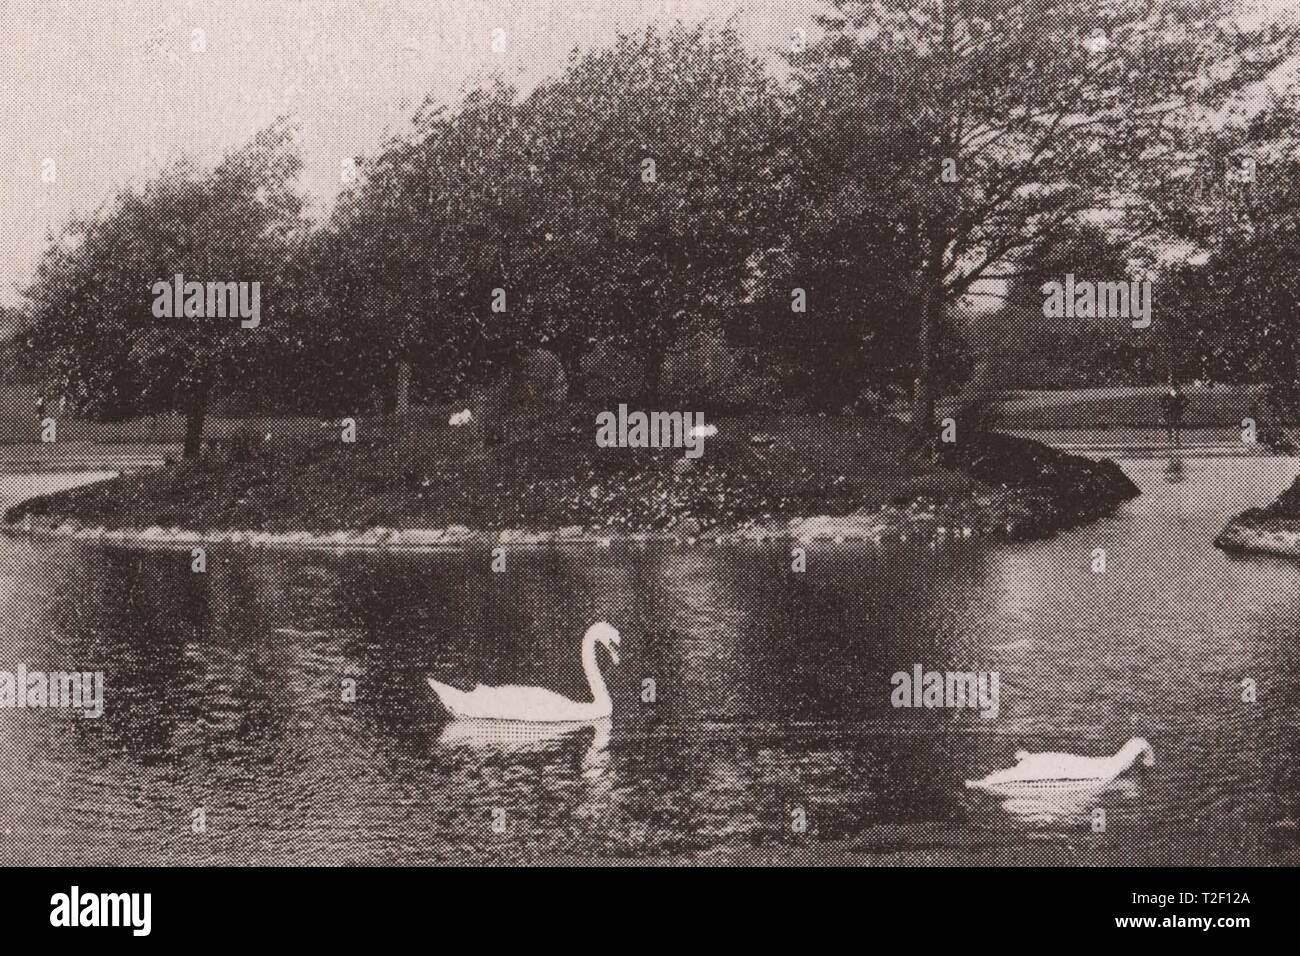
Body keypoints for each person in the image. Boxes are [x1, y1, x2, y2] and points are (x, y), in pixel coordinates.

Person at [1160, 382, 1187, 449]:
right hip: (1170, 412)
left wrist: (1182, 406)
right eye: (1176, 387)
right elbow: (1162, 402)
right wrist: (1166, 407)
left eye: (1177, 388)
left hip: (1177, 412)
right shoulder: (1169, 394)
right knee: (1170, 426)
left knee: (1177, 426)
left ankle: (1176, 441)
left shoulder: (1180, 394)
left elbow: (1187, 401)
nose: (1177, 389)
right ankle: (1170, 441)